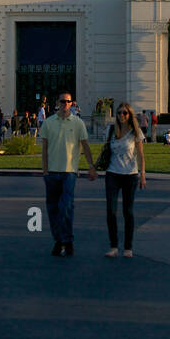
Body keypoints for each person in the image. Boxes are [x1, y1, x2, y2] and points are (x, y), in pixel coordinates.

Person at [40, 92, 95, 257]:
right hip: (52, 172)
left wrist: (91, 166)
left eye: (68, 101)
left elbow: (85, 145)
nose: (65, 104)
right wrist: (44, 171)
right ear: (57, 103)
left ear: (72, 104)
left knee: (66, 207)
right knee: (53, 209)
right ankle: (59, 241)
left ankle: (68, 240)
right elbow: (44, 149)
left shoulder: (78, 123)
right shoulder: (48, 123)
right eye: (62, 101)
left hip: (70, 172)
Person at [103, 102, 147, 257]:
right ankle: (113, 246)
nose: (121, 115)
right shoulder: (110, 130)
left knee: (128, 212)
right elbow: (105, 150)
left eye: (125, 113)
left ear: (130, 115)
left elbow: (141, 154)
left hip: (130, 175)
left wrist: (142, 174)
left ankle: (128, 247)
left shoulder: (136, 132)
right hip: (112, 174)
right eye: (119, 113)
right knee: (111, 211)